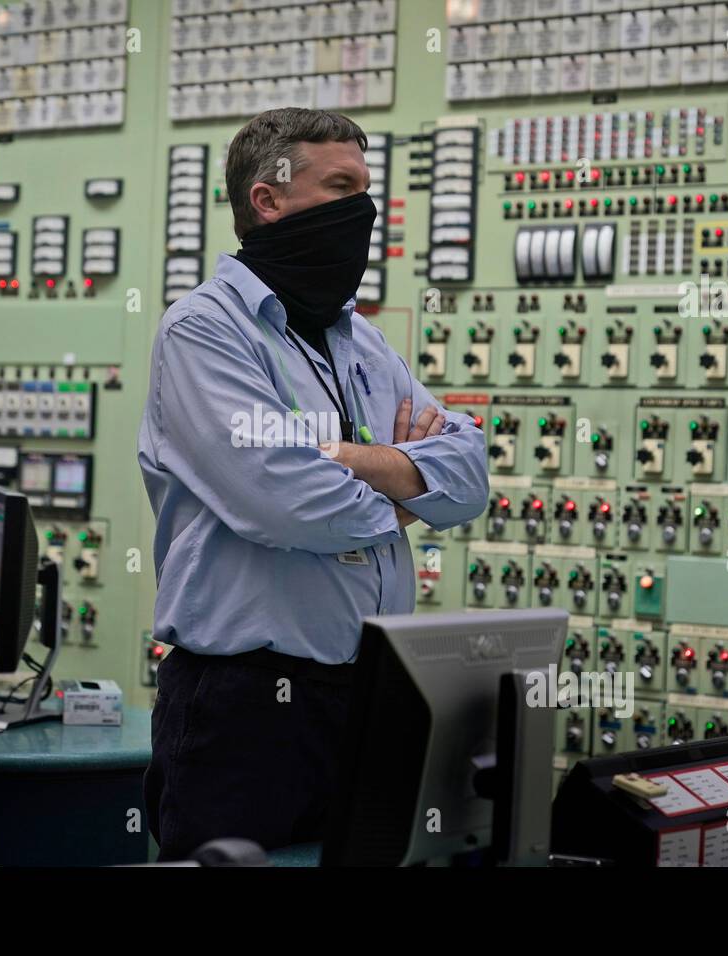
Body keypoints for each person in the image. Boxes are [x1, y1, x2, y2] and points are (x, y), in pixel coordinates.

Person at [138, 108, 489, 860]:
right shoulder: (202, 331)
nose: (364, 210)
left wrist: (352, 460)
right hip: (245, 708)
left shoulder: (359, 339)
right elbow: (290, 501)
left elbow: (469, 477)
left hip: (371, 694)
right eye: (342, 186)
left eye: (368, 188)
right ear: (268, 200)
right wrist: (405, 491)